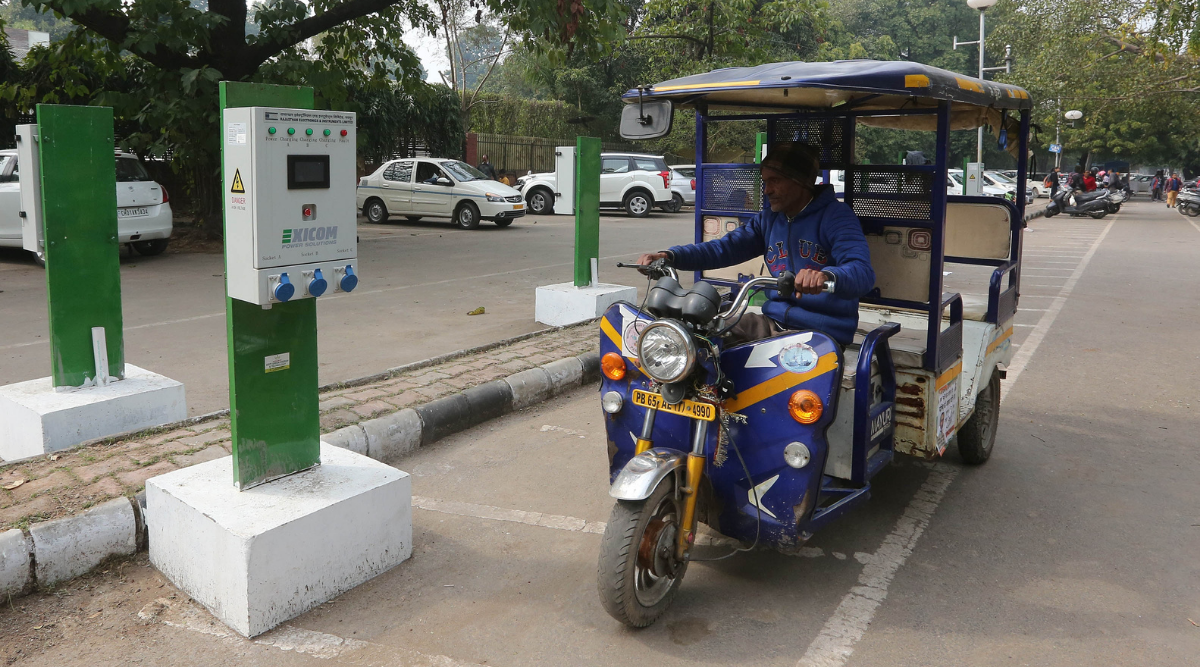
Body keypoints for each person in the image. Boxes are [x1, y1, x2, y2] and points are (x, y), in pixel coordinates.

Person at [635, 143, 874, 346]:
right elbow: (723, 249)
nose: (767, 190)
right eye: (765, 181)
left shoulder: (836, 216)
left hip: (822, 333)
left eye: (775, 181)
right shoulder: (769, 218)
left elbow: (862, 271)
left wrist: (826, 277)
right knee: (700, 338)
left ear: (800, 182)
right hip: (772, 323)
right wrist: (671, 256)